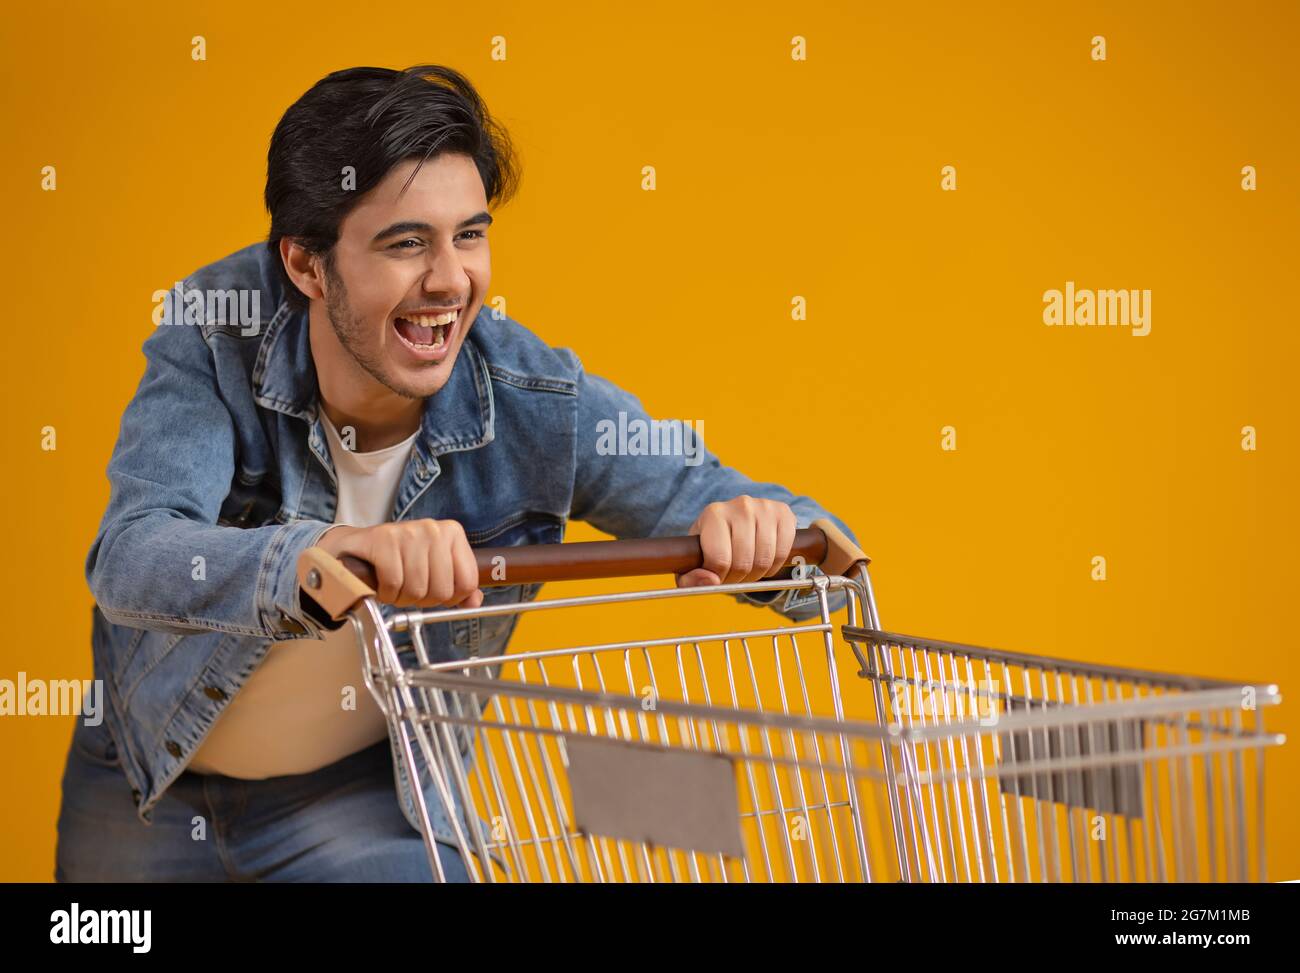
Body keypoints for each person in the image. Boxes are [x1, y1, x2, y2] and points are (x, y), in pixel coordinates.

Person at [54, 64, 859, 882]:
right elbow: (131, 551)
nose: (450, 280)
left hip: (356, 800)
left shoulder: (538, 404)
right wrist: (315, 555)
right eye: (407, 243)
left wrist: (766, 534)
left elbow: (783, 523)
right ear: (305, 263)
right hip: (144, 775)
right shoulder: (216, 331)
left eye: (468, 235)